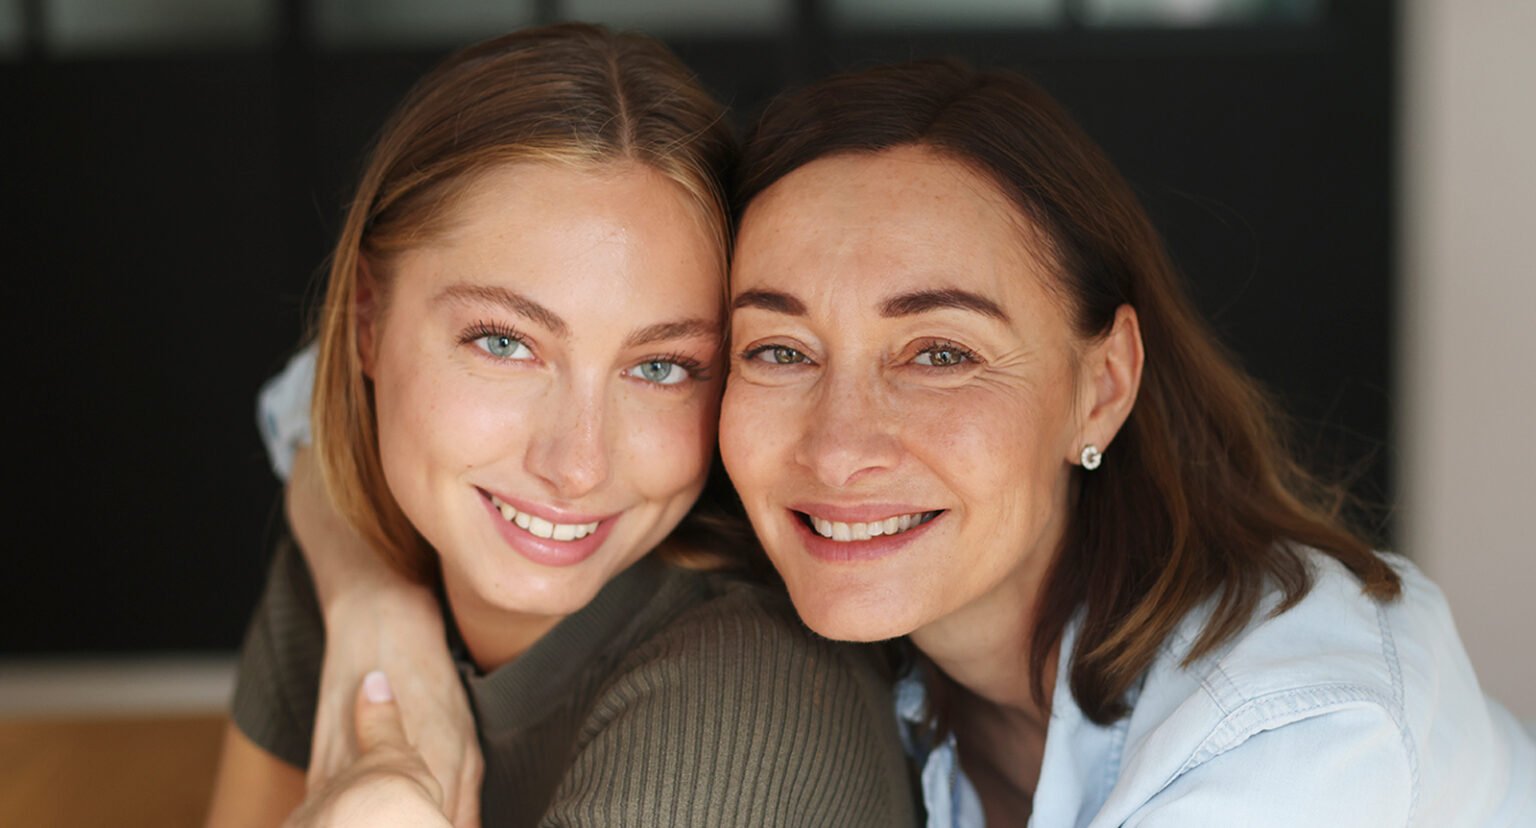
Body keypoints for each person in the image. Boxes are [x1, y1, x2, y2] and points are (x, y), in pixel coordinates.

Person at [266, 59, 1536, 826]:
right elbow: (320, 389)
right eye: (777, 350)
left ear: (1102, 389)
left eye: (938, 352)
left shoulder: (1298, 744)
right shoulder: (908, 645)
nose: (839, 442)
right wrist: (378, 622)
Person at [203, 25, 917, 828]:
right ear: (367, 316)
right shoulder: (346, 588)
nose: (577, 464)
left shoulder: (746, 704)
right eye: (505, 343)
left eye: (661, 367)